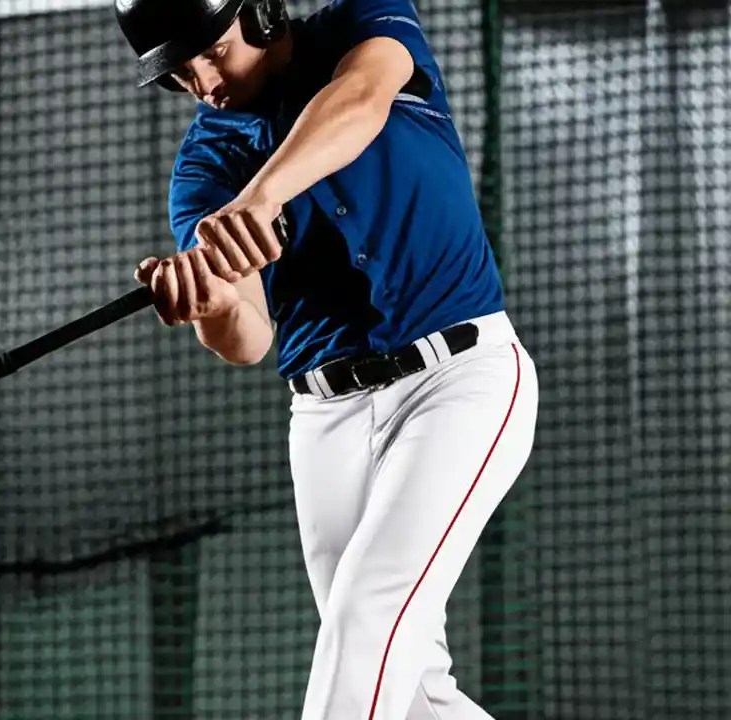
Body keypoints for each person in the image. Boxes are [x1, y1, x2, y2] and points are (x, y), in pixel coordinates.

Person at [115, 1, 540, 718]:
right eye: (179, 73)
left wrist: (261, 198)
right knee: (413, 693)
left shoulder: (362, 20)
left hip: (459, 379)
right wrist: (210, 302)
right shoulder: (205, 162)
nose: (203, 83)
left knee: (367, 617)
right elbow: (248, 337)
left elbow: (363, 97)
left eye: (212, 51)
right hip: (325, 417)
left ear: (262, 12)